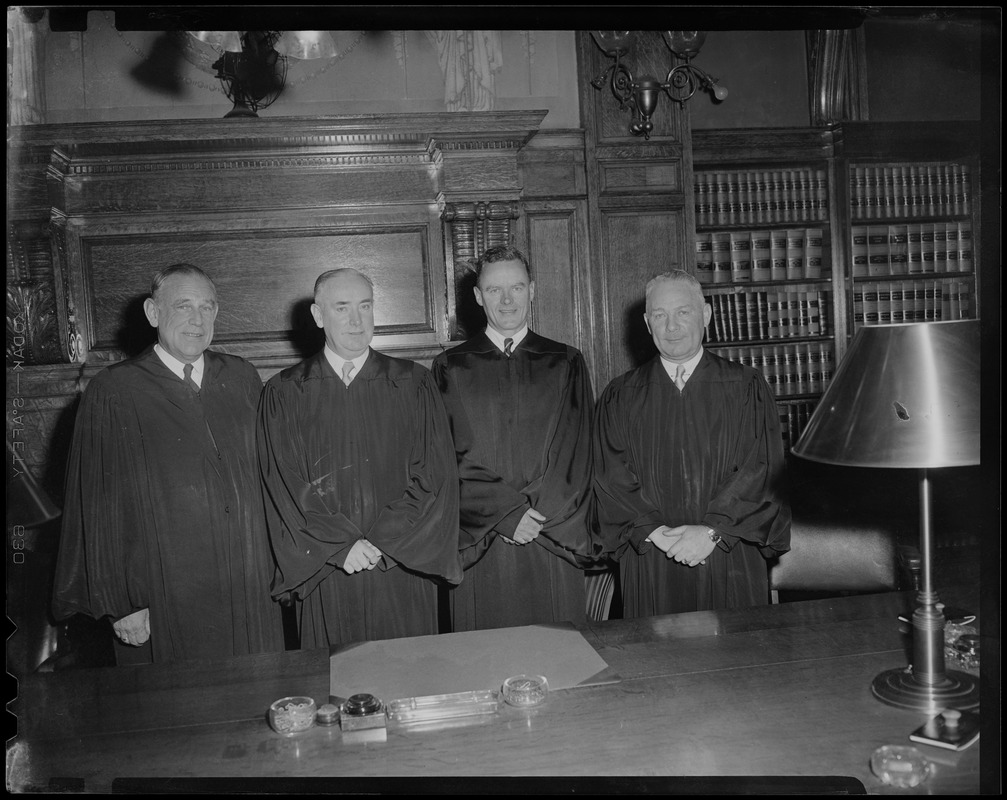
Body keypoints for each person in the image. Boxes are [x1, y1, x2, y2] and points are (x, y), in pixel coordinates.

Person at [52, 264, 284, 664]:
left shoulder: (242, 377)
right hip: (163, 595)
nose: (198, 320)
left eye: (207, 308)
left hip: (248, 586)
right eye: (183, 306)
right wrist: (122, 602)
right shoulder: (115, 391)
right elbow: (98, 508)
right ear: (153, 313)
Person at [257, 268, 462, 648]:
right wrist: (340, 545)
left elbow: (434, 475)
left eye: (365, 307)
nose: (356, 320)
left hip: (402, 562)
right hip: (328, 568)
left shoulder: (412, 383)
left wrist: (385, 540)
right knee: (333, 691)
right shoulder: (285, 392)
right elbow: (285, 485)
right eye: (342, 308)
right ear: (319, 316)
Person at [593, 269, 790, 617]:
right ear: (646, 323)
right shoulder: (621, 395)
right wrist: (652, 531)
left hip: (729, 552)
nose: (671, 327)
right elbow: (609, 477)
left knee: (739, 660)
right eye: (660, 315)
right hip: (652, 555)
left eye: (683, 312)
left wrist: (712, 531)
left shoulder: (746, 387)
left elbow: (762, 469)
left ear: (707, 315)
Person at [431, 245, 596, 631]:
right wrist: (506, 515)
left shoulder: (565, 361)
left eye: (517, 288)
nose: (506, 300)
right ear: (477, 296)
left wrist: (533, 517)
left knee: (560, 657)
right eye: (494, 290)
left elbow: (577, 451)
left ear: (533, 290)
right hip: (481, 540)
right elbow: (446, 457)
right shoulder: (449, 367)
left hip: (551, 536)